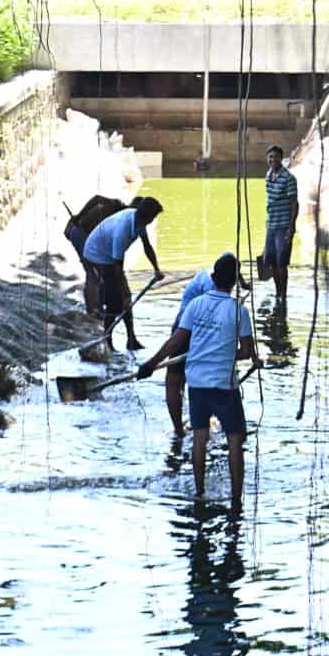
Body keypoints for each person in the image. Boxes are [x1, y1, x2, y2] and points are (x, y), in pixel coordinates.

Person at [137, 254, 261, 507]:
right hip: (224, 386)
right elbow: (247, 352)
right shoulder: (239, 311)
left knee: (200, 438)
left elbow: (176, 341)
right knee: (236, 439)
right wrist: (232, 355)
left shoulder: (195, 305)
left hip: (197, 384)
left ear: (213, 278)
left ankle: (200, 492)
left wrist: (151, 363)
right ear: (234, 282)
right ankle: (237, 500)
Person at [165, 259, 251, 437]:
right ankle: (180, 429)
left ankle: (188, 427)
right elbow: (217, 328)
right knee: (175, 381)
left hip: (185, 328)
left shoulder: (212, 282)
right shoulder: (206, 296)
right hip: (188, 328)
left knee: (185, 382)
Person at [82, 196, 164, 350]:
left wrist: (156, 269)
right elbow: (117, 267)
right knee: (114, 301)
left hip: (108, 255)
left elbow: (147, 246)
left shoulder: (138, 220)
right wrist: (122, 291)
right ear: (147, 216)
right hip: (97, 255)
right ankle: (107, 342)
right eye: (153, 217)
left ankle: (131, 340)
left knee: (126, 299)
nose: (153, 221)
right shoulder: (123, 229)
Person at [64, 195, 134, 314]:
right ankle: (93, 310)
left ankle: (101, 304)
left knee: (103, 271)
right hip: (79, 231)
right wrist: (79, 216)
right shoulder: (115, 205)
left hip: (90, 236)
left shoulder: (125, 224)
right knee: (92, 273)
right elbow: (96, 198)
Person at [263, 145, 297, 299]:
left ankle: (283, 293)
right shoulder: (269, 175)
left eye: (276, 157)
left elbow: (294, 204)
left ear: (281, 159)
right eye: (270, 157)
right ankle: (278, 293)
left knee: (281, 262)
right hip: (271, 225)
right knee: (272, 262)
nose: (273, 160)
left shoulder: (288, 178)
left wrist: (291, 227)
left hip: (283, 226)